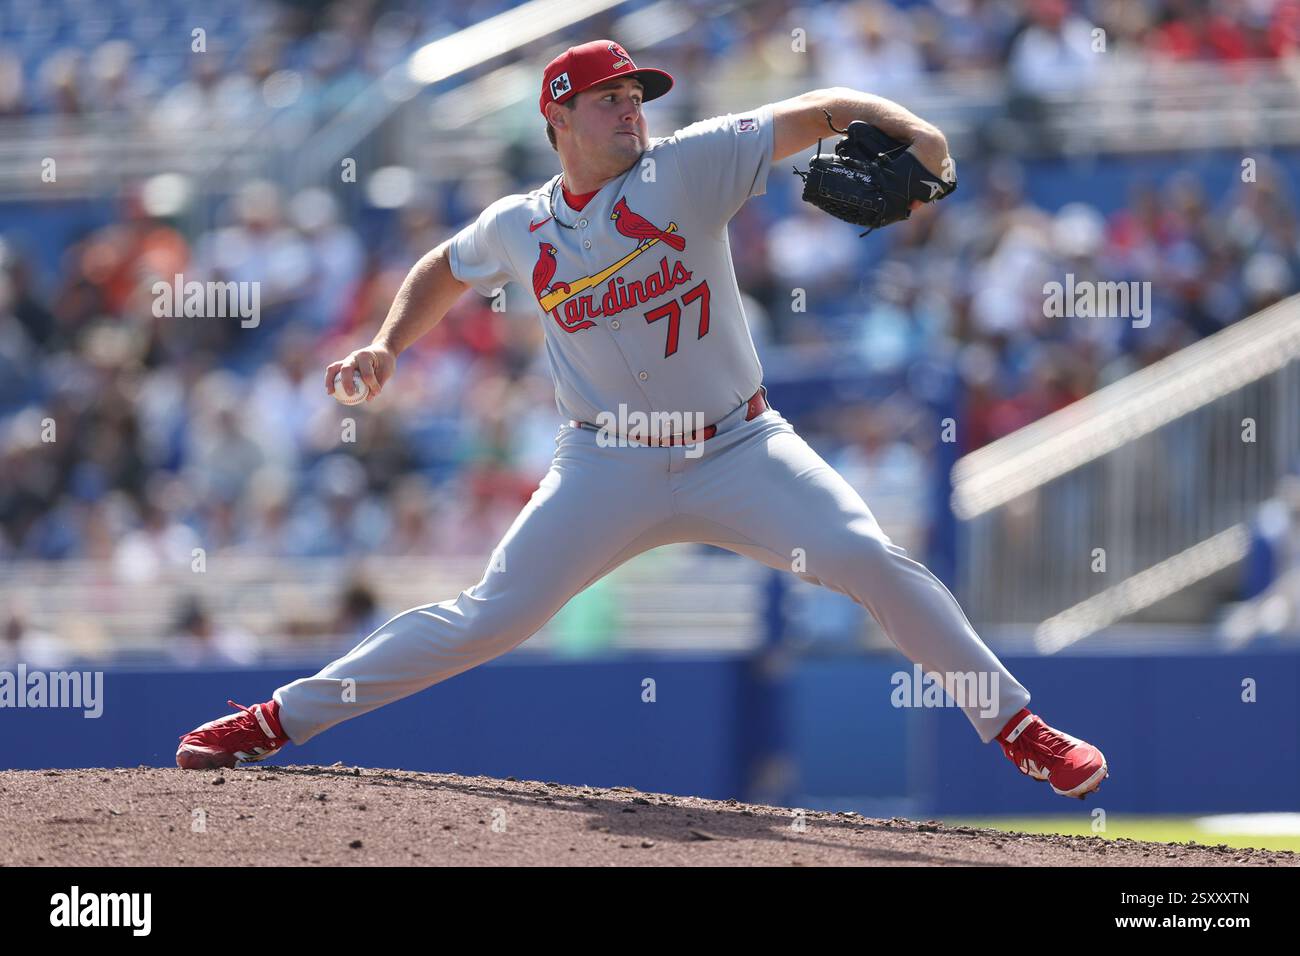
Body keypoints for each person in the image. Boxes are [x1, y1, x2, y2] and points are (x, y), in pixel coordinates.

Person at [176, 39, 1108, 800]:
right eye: (609, 100)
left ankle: (1019, 729)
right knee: (488, 618)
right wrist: (387, 344)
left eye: (636, 96)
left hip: (741, 445)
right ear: (559, 119)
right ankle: (276, 720)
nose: (632, 112)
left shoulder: (688, 168)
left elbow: (823, 109)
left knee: (869, 559)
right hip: (605, 465)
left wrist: (917, 132)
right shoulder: (519, 224)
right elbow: (442, 270)